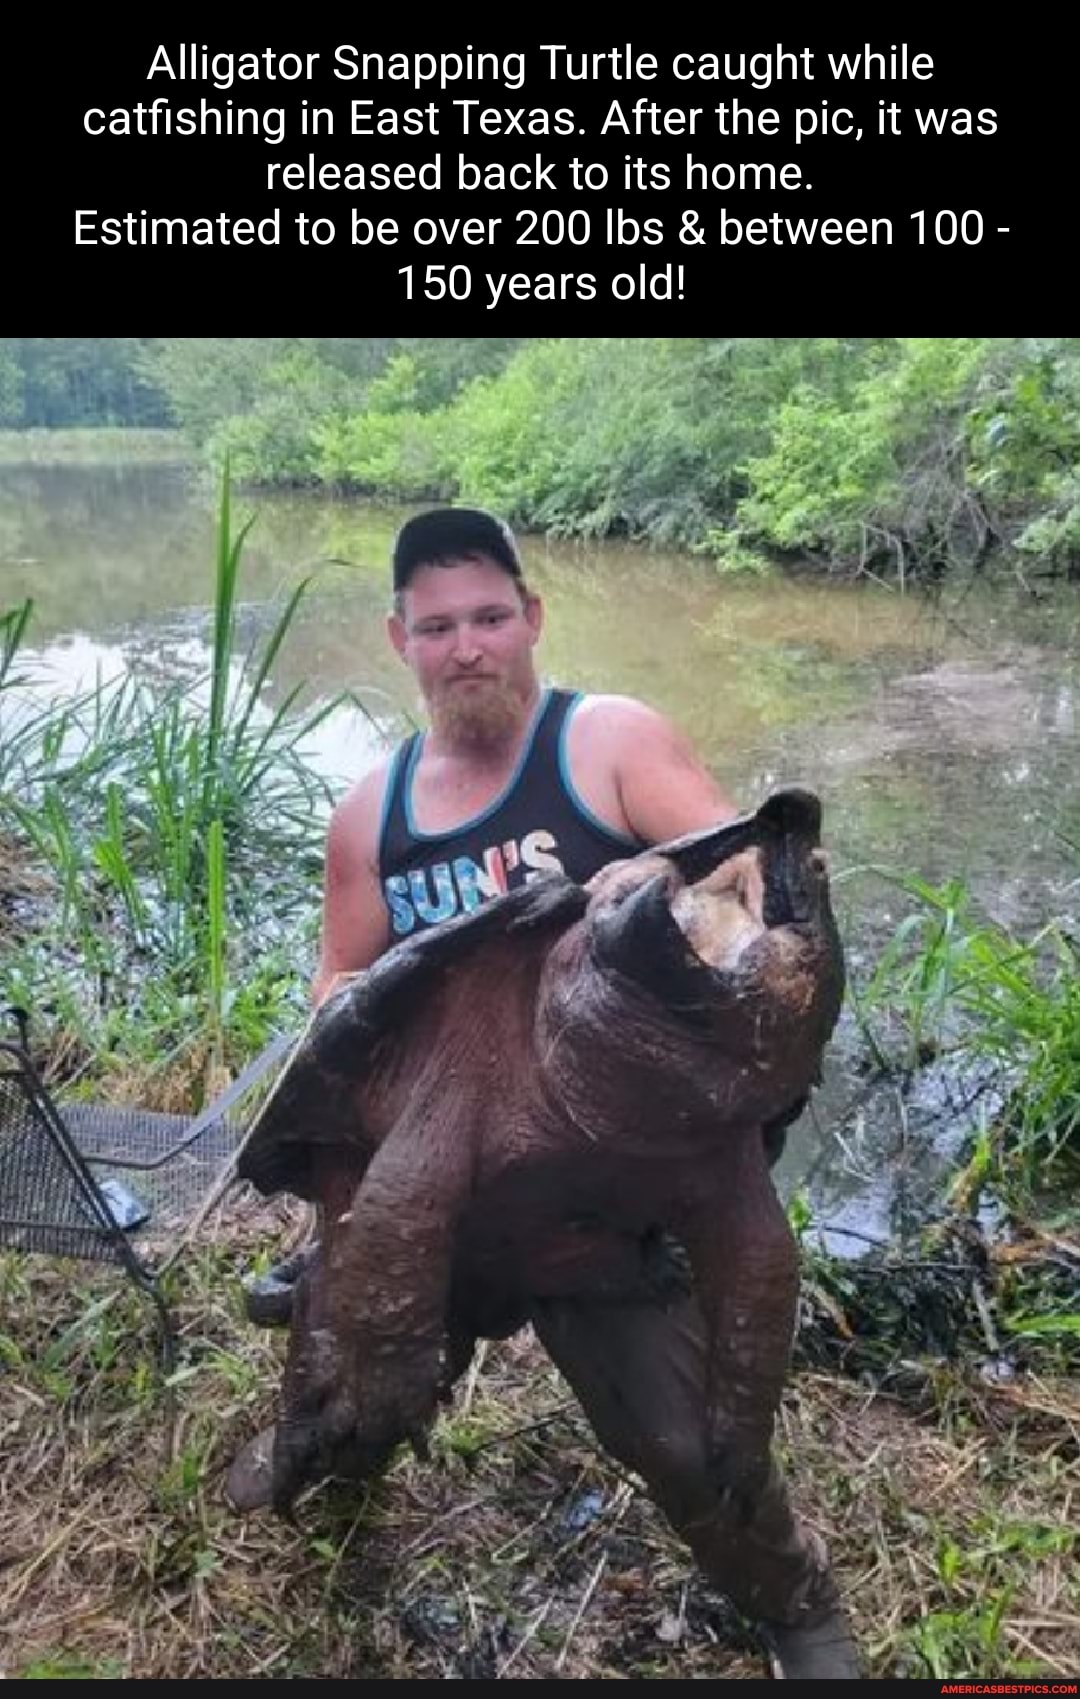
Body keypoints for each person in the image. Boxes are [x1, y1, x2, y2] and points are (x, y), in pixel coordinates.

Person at [238, 507, 859, 1679]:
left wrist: (682, 877)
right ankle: (330, 1475)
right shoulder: (372, 814)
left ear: (531, 618)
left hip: (614, 1180)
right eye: (437, 627)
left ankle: (798, 1605)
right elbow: (339, 975)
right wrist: (338, 1036)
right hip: (443, 1158)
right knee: (362, 1359)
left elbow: (743, 877)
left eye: (487, 617)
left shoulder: (608, 743)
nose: (466, 645)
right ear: (399, 640)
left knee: (683, 1440)